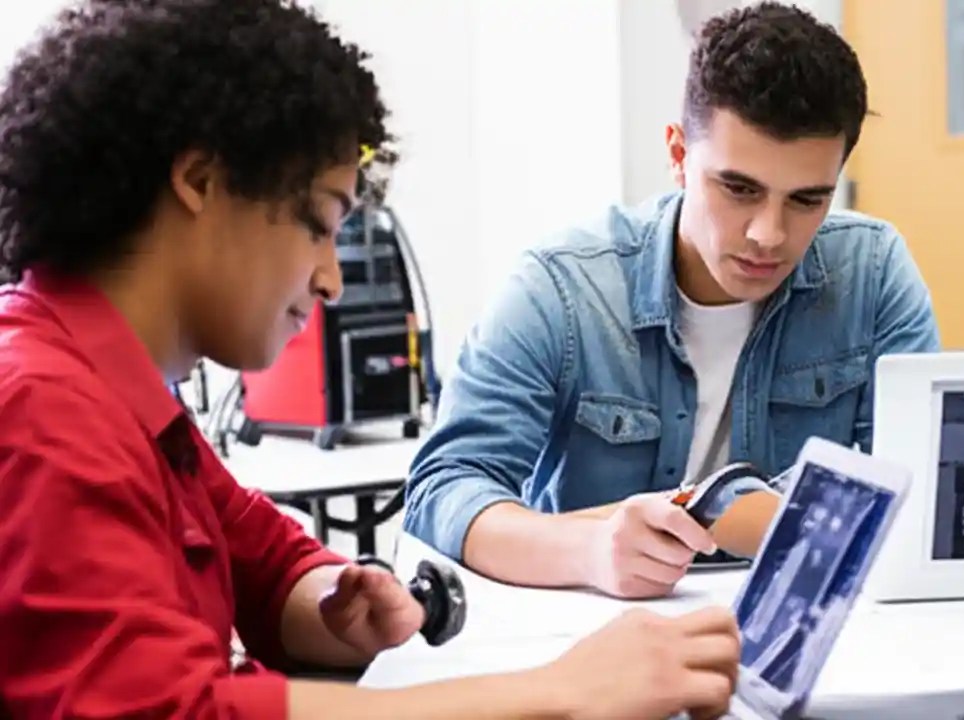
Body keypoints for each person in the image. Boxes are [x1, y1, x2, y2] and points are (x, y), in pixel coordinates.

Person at [0, 2, 739, 718]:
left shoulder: (124, 401)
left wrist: (333, 605)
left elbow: (264, 557)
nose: (331, 278)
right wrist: (561, 693)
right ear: (200, 183)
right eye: (319, 224)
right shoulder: (42, 409)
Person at [404, 2, 940, 599]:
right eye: (739, 189)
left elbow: (915, 501)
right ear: (679, 155)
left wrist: (719, 513)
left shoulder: (872, 272)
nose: (769, 233)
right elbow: (441, 491)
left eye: (807, 200)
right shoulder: (561, 288)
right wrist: (588, 550)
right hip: (593, 644)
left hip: (807, 634)